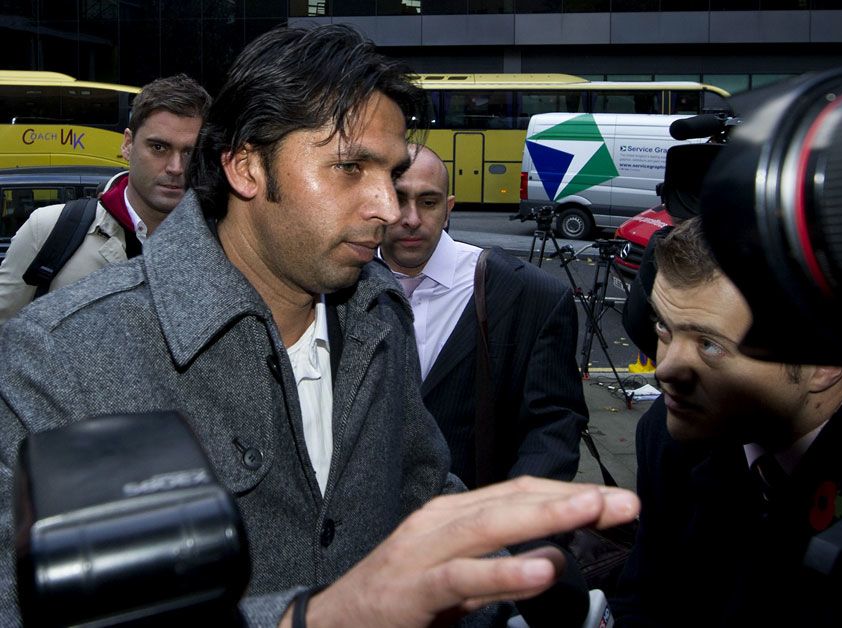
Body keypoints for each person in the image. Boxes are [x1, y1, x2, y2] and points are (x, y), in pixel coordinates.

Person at [0, 25, 639, 627]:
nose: (388, 208)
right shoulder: (59, 360)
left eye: (390, 174)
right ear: (247, 166)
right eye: (349, 168)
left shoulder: (379, 311)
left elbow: (415, 484)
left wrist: (505, 576)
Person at [610, 217, 842, 627]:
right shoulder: (666, 434)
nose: (665, 369)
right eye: (664, 327)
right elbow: (645, 596)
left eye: (709, 345)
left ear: (823, 361)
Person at [379, 144, 586, 489]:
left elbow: (553, 427)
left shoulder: (530, 295)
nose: (412, 219)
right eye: (398, 199)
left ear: (448, 210)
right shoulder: (332, 285)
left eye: (428, 203)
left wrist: (512, 528)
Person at [0, 73, 210, 323]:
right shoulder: (47, 230)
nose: (176, 167)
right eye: (158, 148)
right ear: (128, 145)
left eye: (189, 152)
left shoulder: (222, 245)